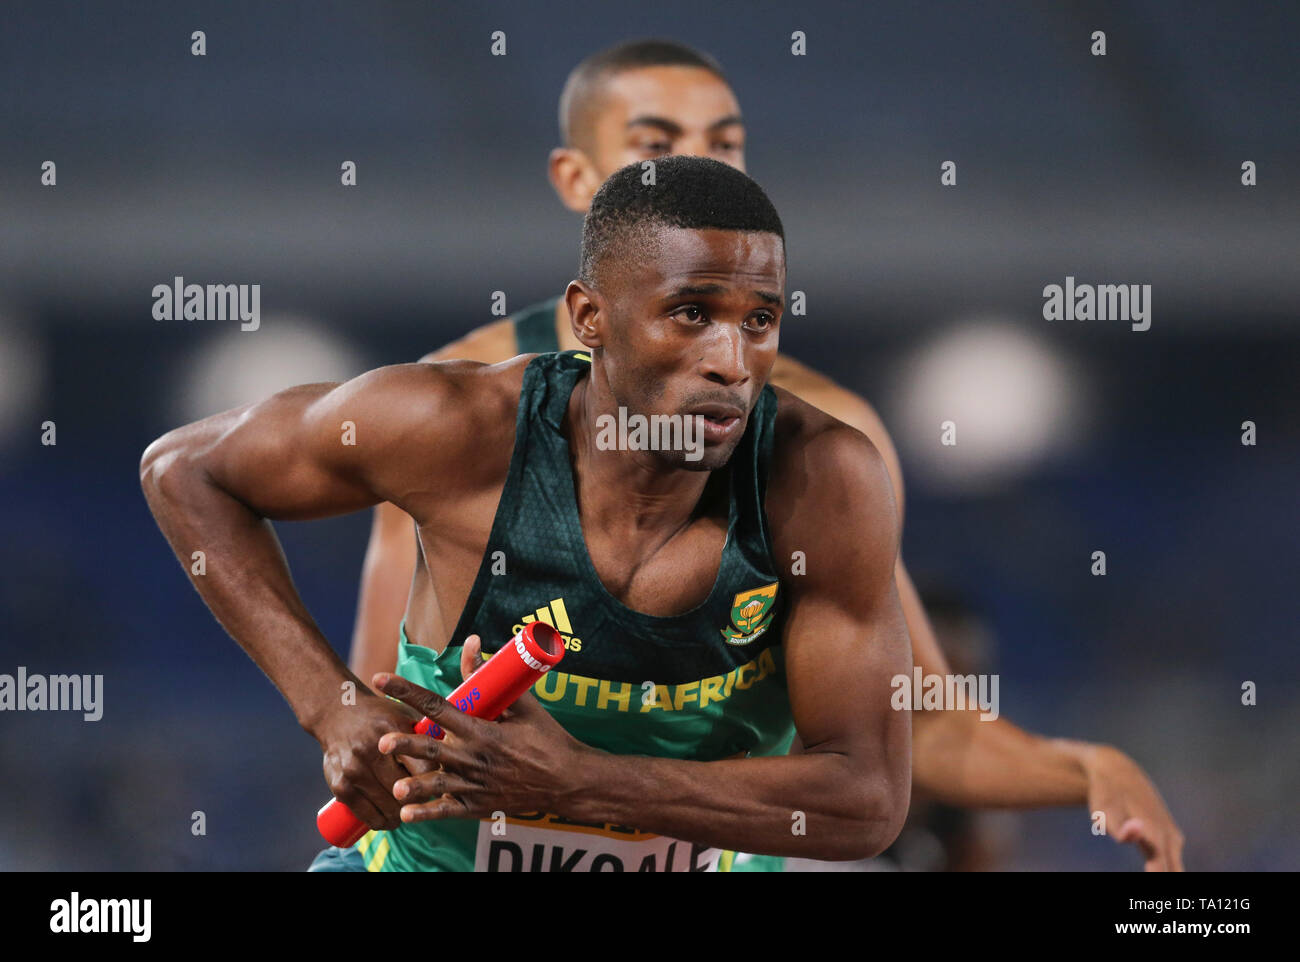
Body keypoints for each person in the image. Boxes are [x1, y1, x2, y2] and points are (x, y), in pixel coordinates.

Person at [347, 39, 1185, 872]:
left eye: (726, 144)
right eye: (655, 145)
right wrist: (344, 728)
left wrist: (1079, 766)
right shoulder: (459, 416)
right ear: (577, 181)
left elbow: (916, 724)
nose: (698, 166)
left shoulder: (822, 439)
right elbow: (381, 697)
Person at [141, 156, 914, 872]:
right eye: (689, 313)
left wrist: (584, 783)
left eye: (759, 320)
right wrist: (330, 705)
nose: (731, 361)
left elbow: (867, 801)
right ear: (589, 317)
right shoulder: (458, 432)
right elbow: (186, 470)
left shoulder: (820, 481)